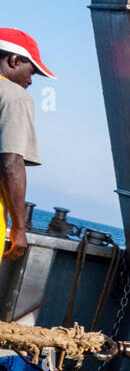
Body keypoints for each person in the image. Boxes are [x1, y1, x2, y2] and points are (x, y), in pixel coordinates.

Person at [0, 29, 55, 263]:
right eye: (31, 71)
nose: (30, 81)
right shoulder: (13, 95)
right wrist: (19, 229)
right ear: (14, 60)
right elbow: (11, 162)